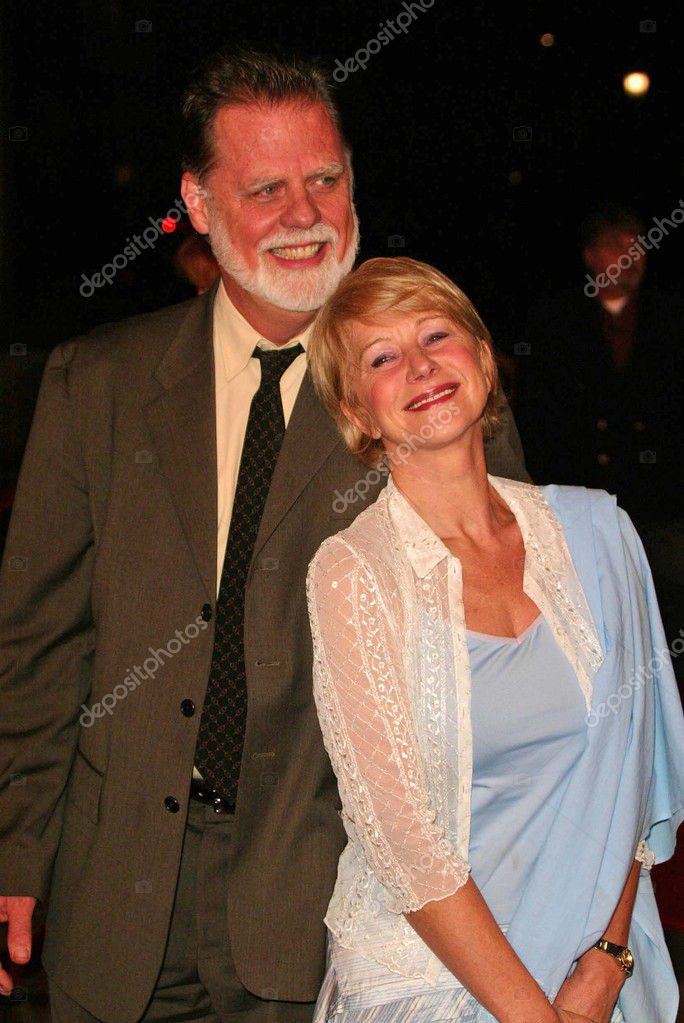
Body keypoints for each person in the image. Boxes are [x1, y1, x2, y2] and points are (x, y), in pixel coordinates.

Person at [0, 48, 530, 1022]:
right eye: (266, 187)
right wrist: (13, 852)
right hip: (113, 908)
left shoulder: (426, 378)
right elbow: (37, 648)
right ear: (197, 204)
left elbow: (509, 658)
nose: (303, 214)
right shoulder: (96, 386)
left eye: (325, 179)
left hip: (334, 915)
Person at [305, 256, 684, 1023]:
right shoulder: (352, 574)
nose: (419, 365)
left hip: (597, 977)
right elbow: (403, 846)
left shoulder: (599, 532)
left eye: (436, 334)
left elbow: (632, 777)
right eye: (382, 357)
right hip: (432, 988)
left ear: (482, 358)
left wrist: (603, 966)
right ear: (359, 413)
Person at [515, 203, 684, 529]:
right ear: (590, 256)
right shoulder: (555, 322)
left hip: (664, 502)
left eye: (637, 245)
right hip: (584, 502)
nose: (629, 255)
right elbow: (537, 416)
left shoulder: (670, 318)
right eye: (614, 245)